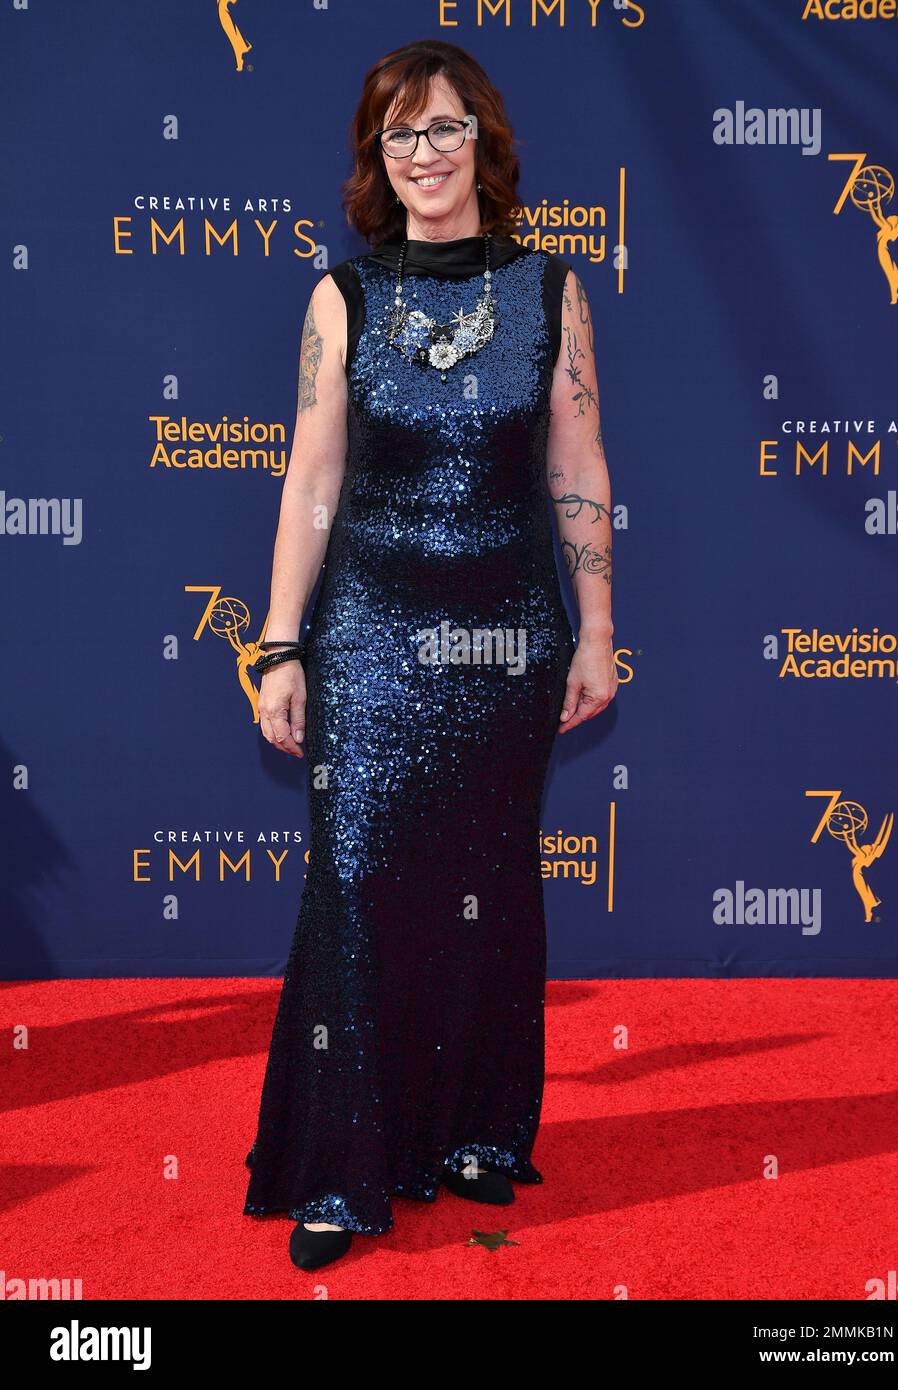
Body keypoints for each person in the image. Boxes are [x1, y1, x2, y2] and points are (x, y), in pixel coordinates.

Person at [243, 38, 616, 1271]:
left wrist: (598, 629)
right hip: (368, 632)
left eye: (445, 128)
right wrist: (282, 640)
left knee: (486, 882)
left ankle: (470, 1133)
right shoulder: (338, 299)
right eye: (401, 134)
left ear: (484, 143)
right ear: (376, 157)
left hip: (507, 635)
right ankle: (343, 1173)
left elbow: (573, 468)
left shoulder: (552, 290)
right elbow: (311, 478)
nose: (425, 154)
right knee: (355, 884)